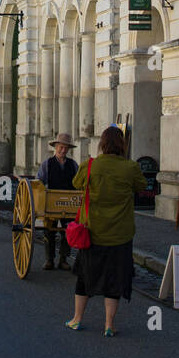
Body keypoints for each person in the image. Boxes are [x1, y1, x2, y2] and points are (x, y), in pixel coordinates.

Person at [66, 125, 144, 337]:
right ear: (122, 145)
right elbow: (142, 186)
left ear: (102, 144)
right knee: (114, 280)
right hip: (120, 234)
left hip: (93, 233)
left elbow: (76, 183)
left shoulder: (90, 166)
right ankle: (109, 324)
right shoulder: (131, 168)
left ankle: (77, 319)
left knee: (84, 276)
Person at [37, 133, 78, 270]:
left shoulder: (73, 165)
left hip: (69, 203)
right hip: (51, 203)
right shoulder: (46, 164)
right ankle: (49, 259)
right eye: (61, 147)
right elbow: (40, 183)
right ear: (55, 147)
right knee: (49, 230)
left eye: (66, 148)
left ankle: (63, 259)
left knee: (68, 230)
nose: (63, 150)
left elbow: (78, 183)